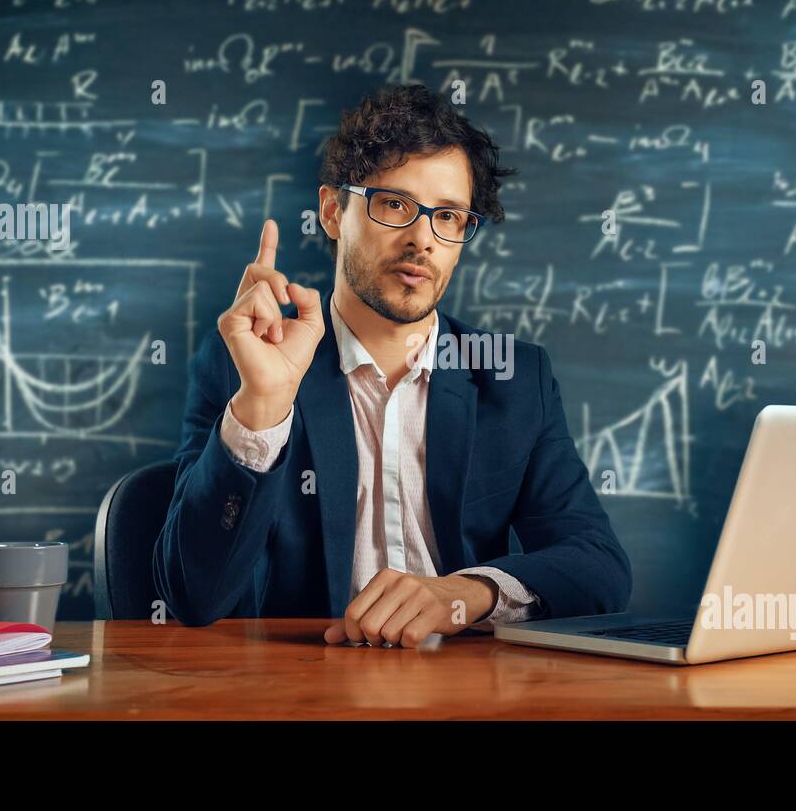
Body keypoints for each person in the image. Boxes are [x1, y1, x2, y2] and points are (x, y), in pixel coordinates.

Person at [153, 84, 631, 648]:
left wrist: (462, 594)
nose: (422, 240)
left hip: (469, 691)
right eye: (395, 204)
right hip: (300, 690)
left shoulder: (514, 378)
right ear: (333, 212)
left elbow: (599, 566)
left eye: (448, 216)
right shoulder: (246, 365)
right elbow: (190, 597)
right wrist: (263, 407)